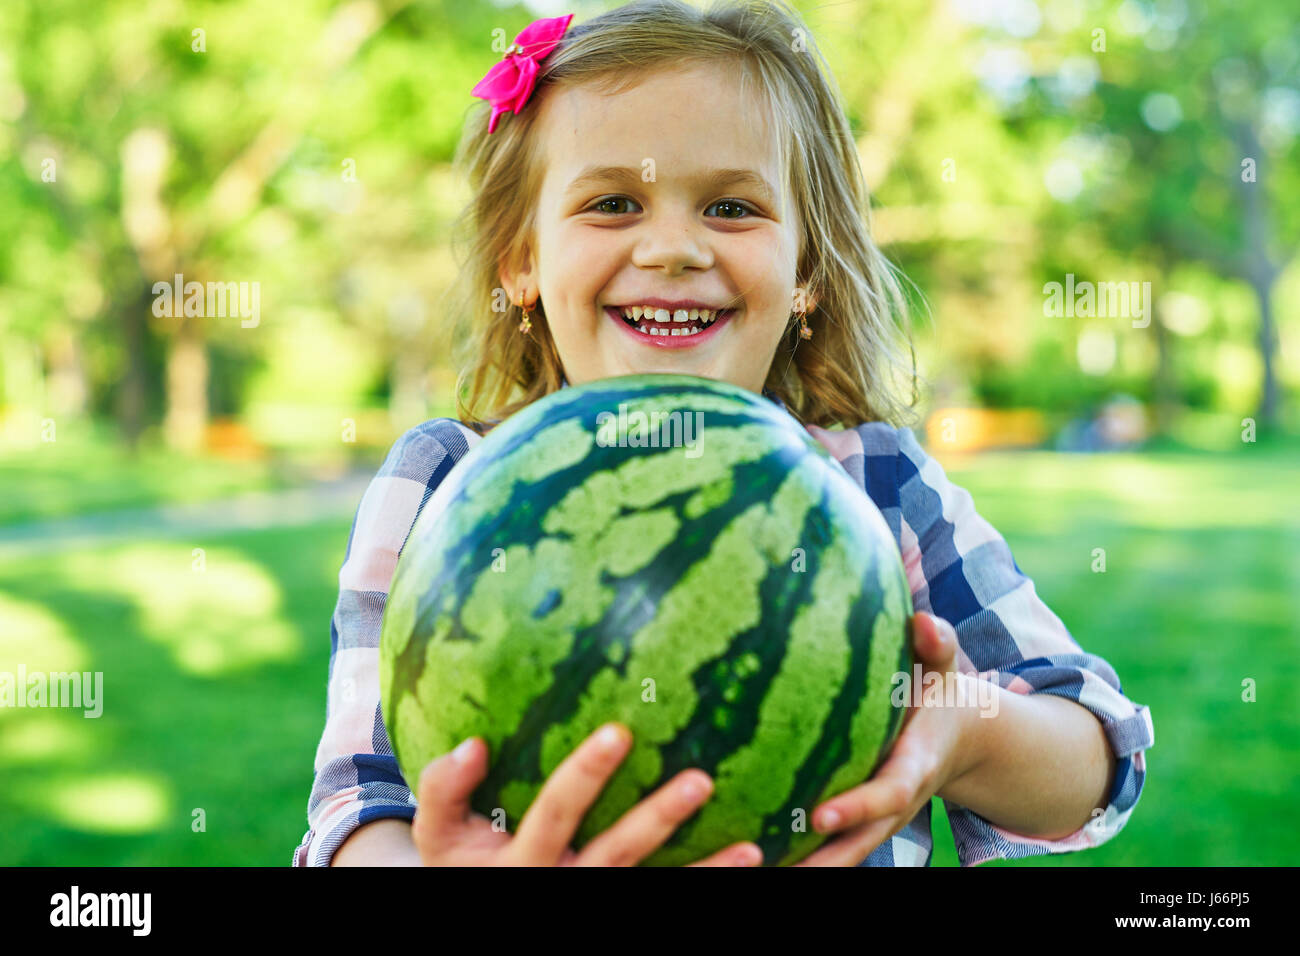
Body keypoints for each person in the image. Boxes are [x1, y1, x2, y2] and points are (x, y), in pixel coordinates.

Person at [294, 0, 1153, 867]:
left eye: (733, 208)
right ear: (522, 258)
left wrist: (968, 733)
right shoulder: (444, 479)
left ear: (806, 270)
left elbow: (1096, 760)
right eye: (615, 202)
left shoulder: (879, 483)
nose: (673, 248)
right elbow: (359, 802)